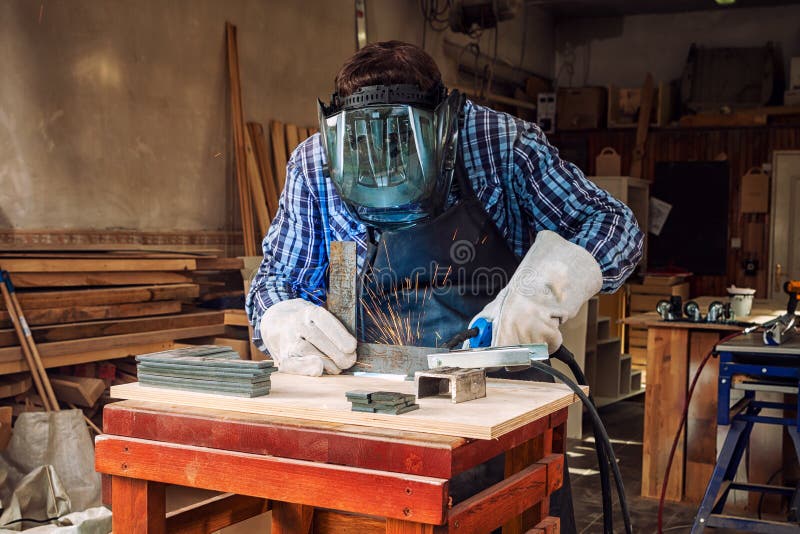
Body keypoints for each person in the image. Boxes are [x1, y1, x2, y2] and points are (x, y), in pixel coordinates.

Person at [247, 40, 643, 532]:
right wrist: (278, 315)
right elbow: (276, 280)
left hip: (499, 404)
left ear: (444, 129)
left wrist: (544, 289)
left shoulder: (502, 144)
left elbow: (614, 226)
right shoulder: (315, 164)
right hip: (374, 411)